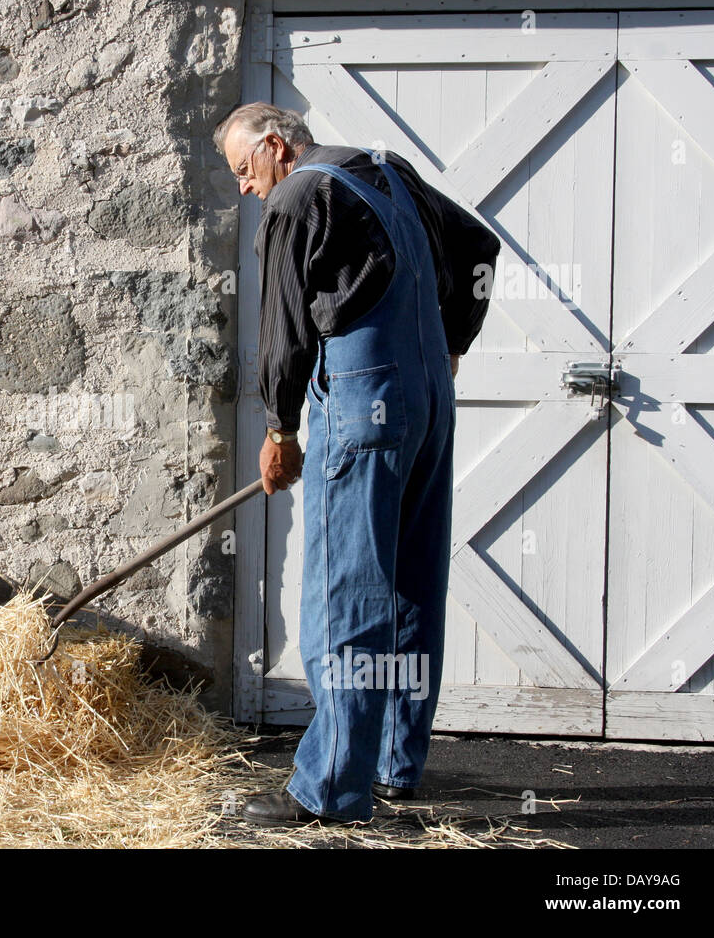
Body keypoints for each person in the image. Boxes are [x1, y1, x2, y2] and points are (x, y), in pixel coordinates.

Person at [214, 102, 500, 824]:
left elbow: (282, 330)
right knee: (409, 585)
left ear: (275, 146)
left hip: (366, 402)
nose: (248, 190)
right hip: (429, 397)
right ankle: (395, 767)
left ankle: (330, 791)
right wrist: (453, 343)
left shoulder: (296, 197)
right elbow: (477, 245)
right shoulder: (387, 171)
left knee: (346, 594)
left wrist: (280, 428)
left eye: (245, 171)